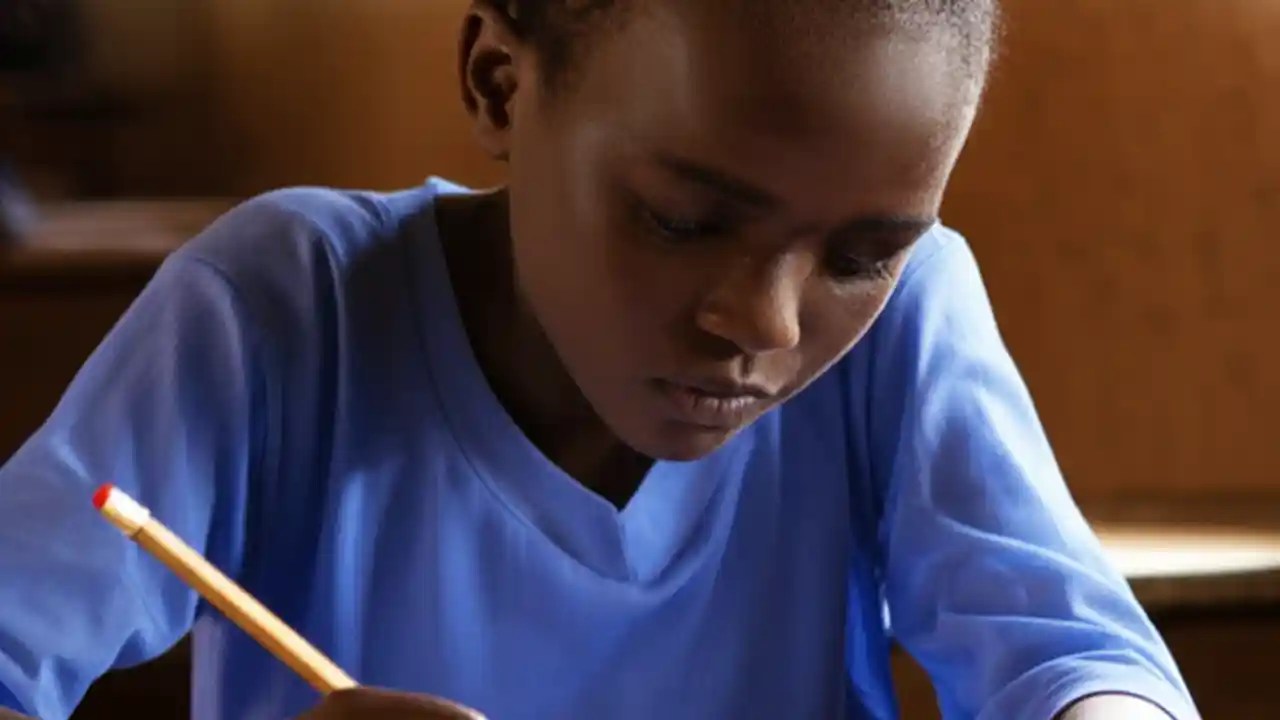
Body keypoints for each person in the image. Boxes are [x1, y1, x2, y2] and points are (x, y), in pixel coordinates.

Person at [0, 0, 1198, 718]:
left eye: (862, 253)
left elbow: (1074, 658)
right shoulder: (283, 311)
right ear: (499, 84)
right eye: (683, 220)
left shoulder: (909, 319)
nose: (766, 324)